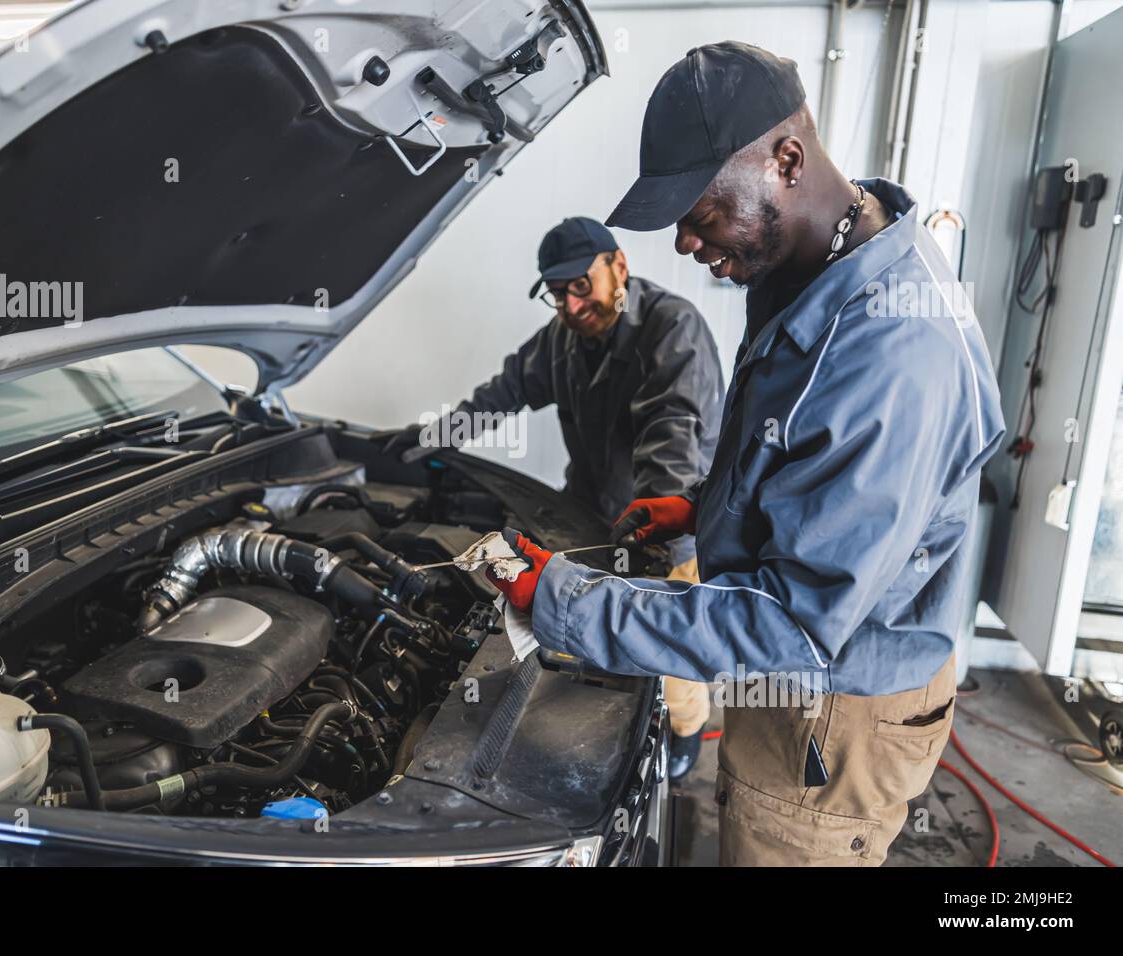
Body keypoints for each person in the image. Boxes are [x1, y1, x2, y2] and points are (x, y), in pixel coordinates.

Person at [486, 42, 1004, 866]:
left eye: (700, 214)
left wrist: (565, 600)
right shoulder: (814, 265)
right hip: (807, 685)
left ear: (785, 161)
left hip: (832, 714)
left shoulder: (888, 350)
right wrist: (707, 503)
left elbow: (794, 628)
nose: (688, 246)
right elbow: (801, 458)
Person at [378, 217, 723, 776]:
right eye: (556, 293)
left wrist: (655, 539)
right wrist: (429, 437)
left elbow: (673, 436)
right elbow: (502, 394)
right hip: (586, 513)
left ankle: (685, 739)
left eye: (580, 286)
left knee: (670, 657)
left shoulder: (671, 329)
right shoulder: (562, 340)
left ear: (619, 267)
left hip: (664, 528)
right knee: (587, 644)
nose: (569, 304)